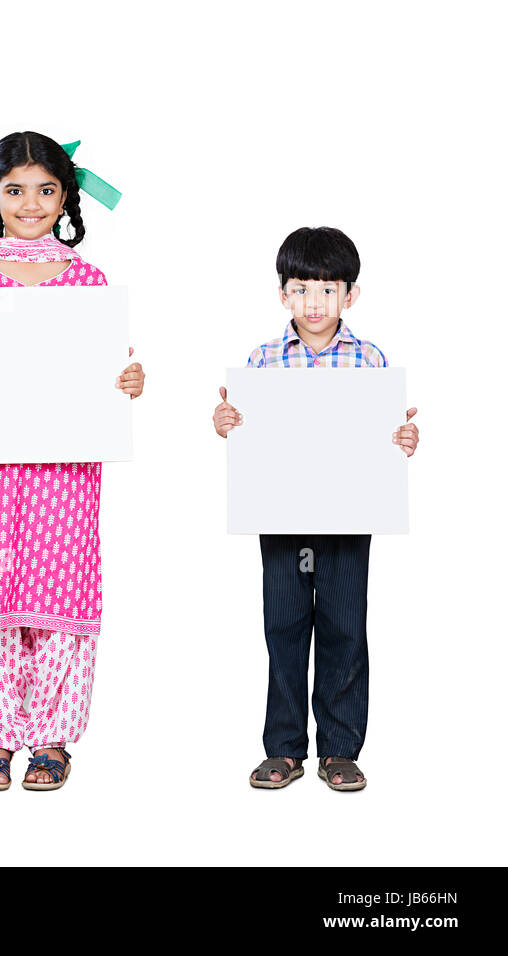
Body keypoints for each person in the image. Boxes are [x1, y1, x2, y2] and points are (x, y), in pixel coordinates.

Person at [0, 131, 143, 791]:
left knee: (57, 594)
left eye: (45, 190)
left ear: (65, 196)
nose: (30, 203)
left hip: (63, 474)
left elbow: (109, 369)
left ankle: (50, 738)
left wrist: (130, 380)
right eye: (15, 190)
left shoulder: (88, 282)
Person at [212, 226, 419, 792]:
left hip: (350, 516)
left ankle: (340, 750)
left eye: (328, 290)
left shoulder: (371, 359)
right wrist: (226, 422)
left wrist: (403, 439)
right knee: (283, 627)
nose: (314, 302)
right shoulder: (262, 358)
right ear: (283, 294)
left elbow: (386, 434)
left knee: (344, 628)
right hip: (280, 515)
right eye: (301, 288)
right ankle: (283, 747)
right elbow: (244, 428)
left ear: (350, 295)